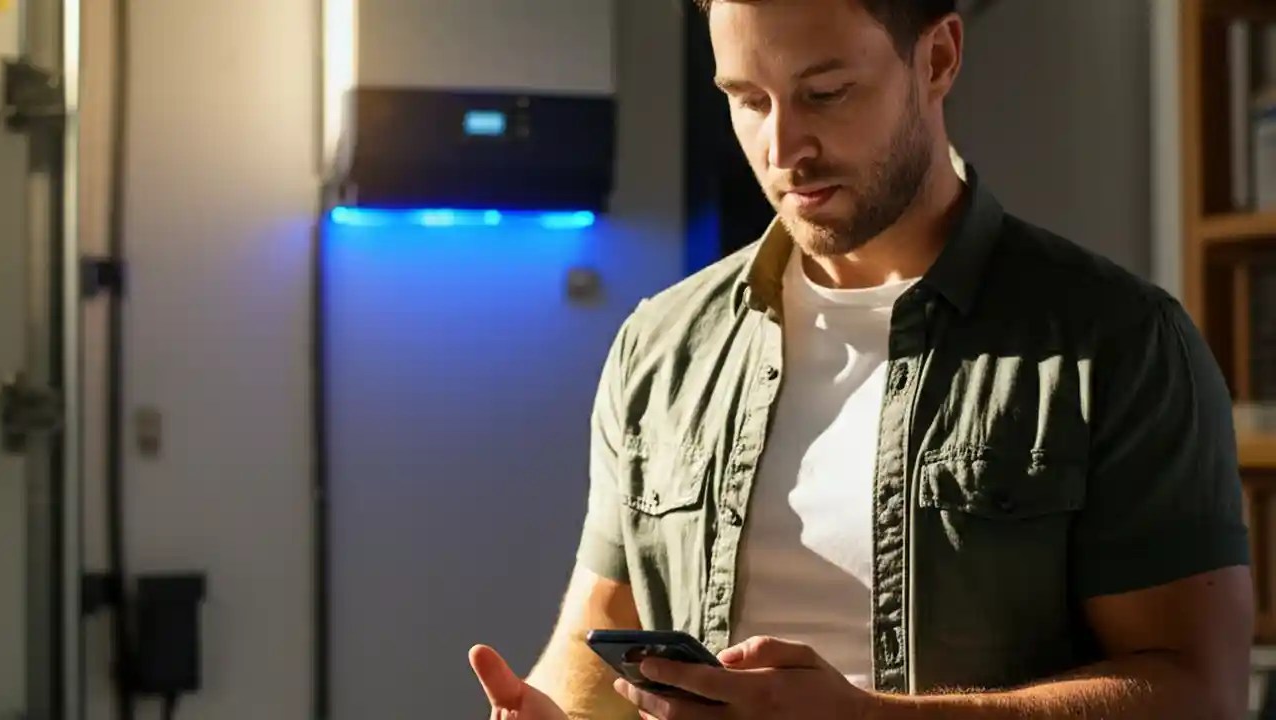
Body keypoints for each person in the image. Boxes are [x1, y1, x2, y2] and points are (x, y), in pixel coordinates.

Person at [469, 0, 1256, 717]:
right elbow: (598, 641)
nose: (783, 149)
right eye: (747, 99)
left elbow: (1198, 695)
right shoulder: (661, 348)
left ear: (939, 57)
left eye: (825, 93)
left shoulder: (1117, 345)